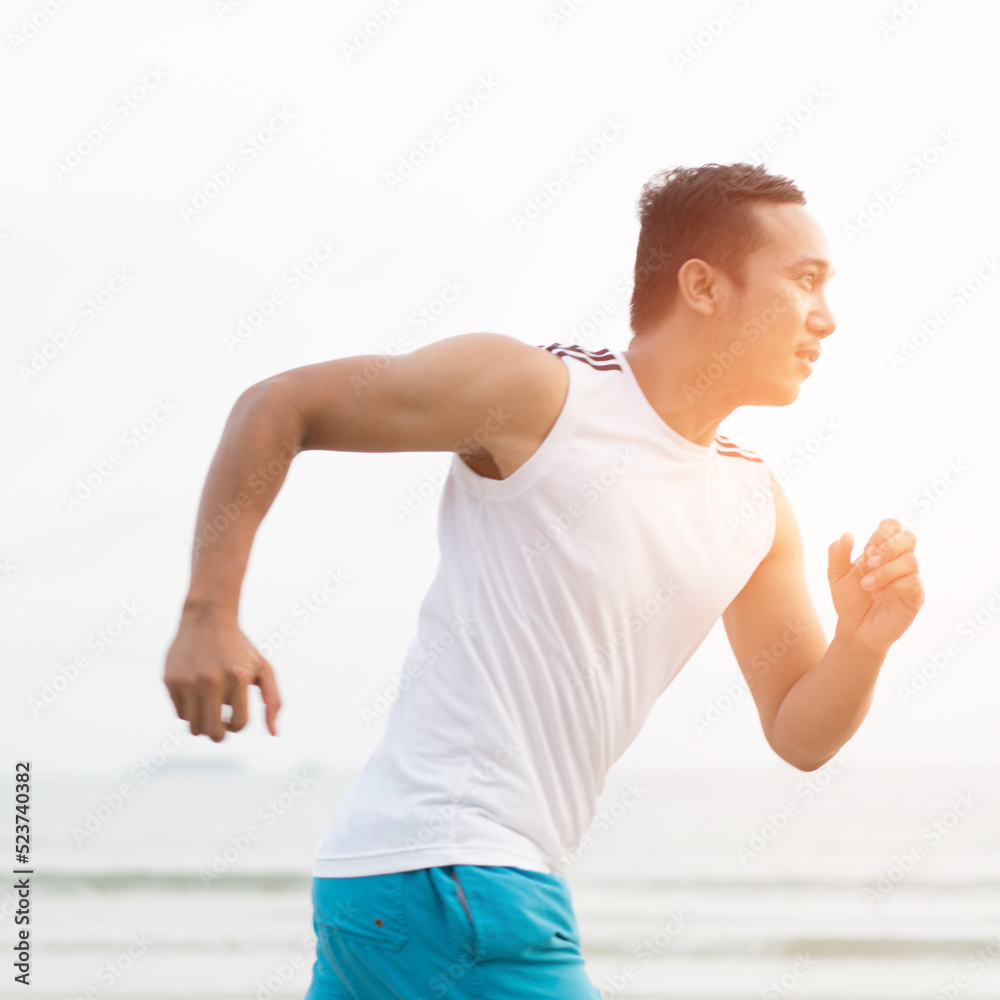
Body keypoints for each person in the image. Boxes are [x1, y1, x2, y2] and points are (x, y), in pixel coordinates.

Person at [163, 162, 925, 999]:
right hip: (457, 877)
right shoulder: (538, 397)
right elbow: (279, 405)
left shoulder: (754, 504)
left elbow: (798, 732)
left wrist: (861, 643)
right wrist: (209, 611)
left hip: (412, 885)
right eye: (805, 280)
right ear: (703, 286)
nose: (827, 318)